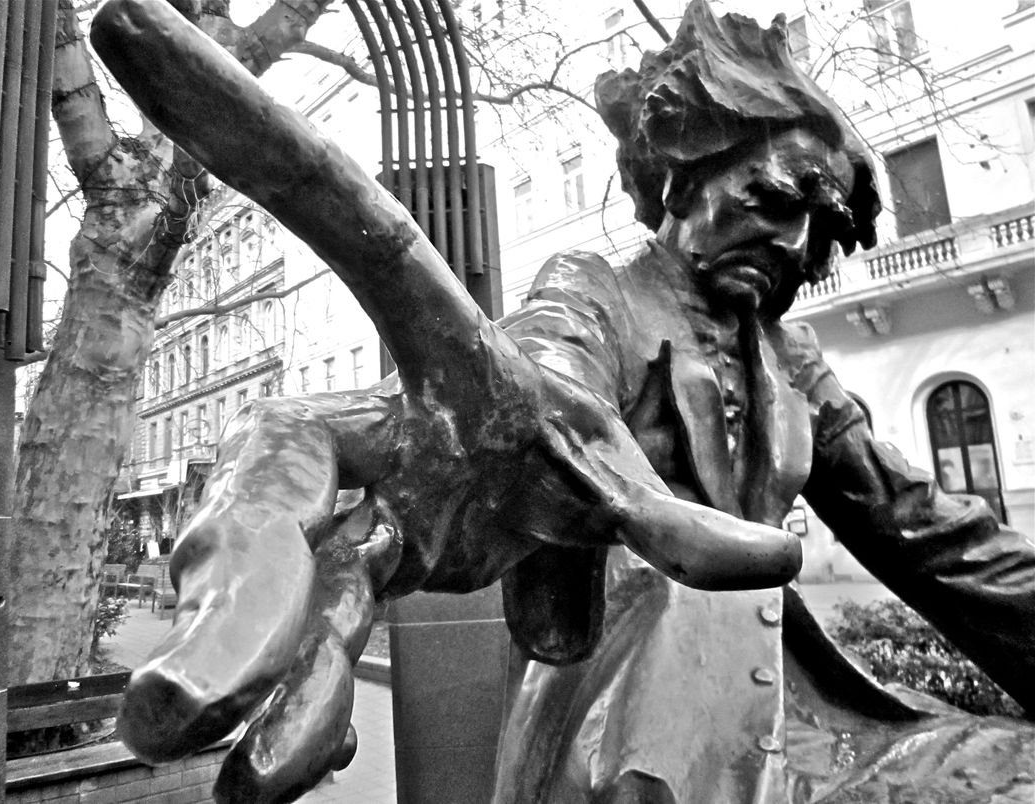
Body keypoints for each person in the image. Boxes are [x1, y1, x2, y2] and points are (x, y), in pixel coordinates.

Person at [91, 1, 1035, 802]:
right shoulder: (597, 290)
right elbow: (551, 366)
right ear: (687, 175)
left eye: (815, 228)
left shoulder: (791, 357)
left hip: (789, 709)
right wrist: (609, 479)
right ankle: (237, 632)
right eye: (771, 199)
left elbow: (921, 527)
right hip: (625, 716)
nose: (791, 241)